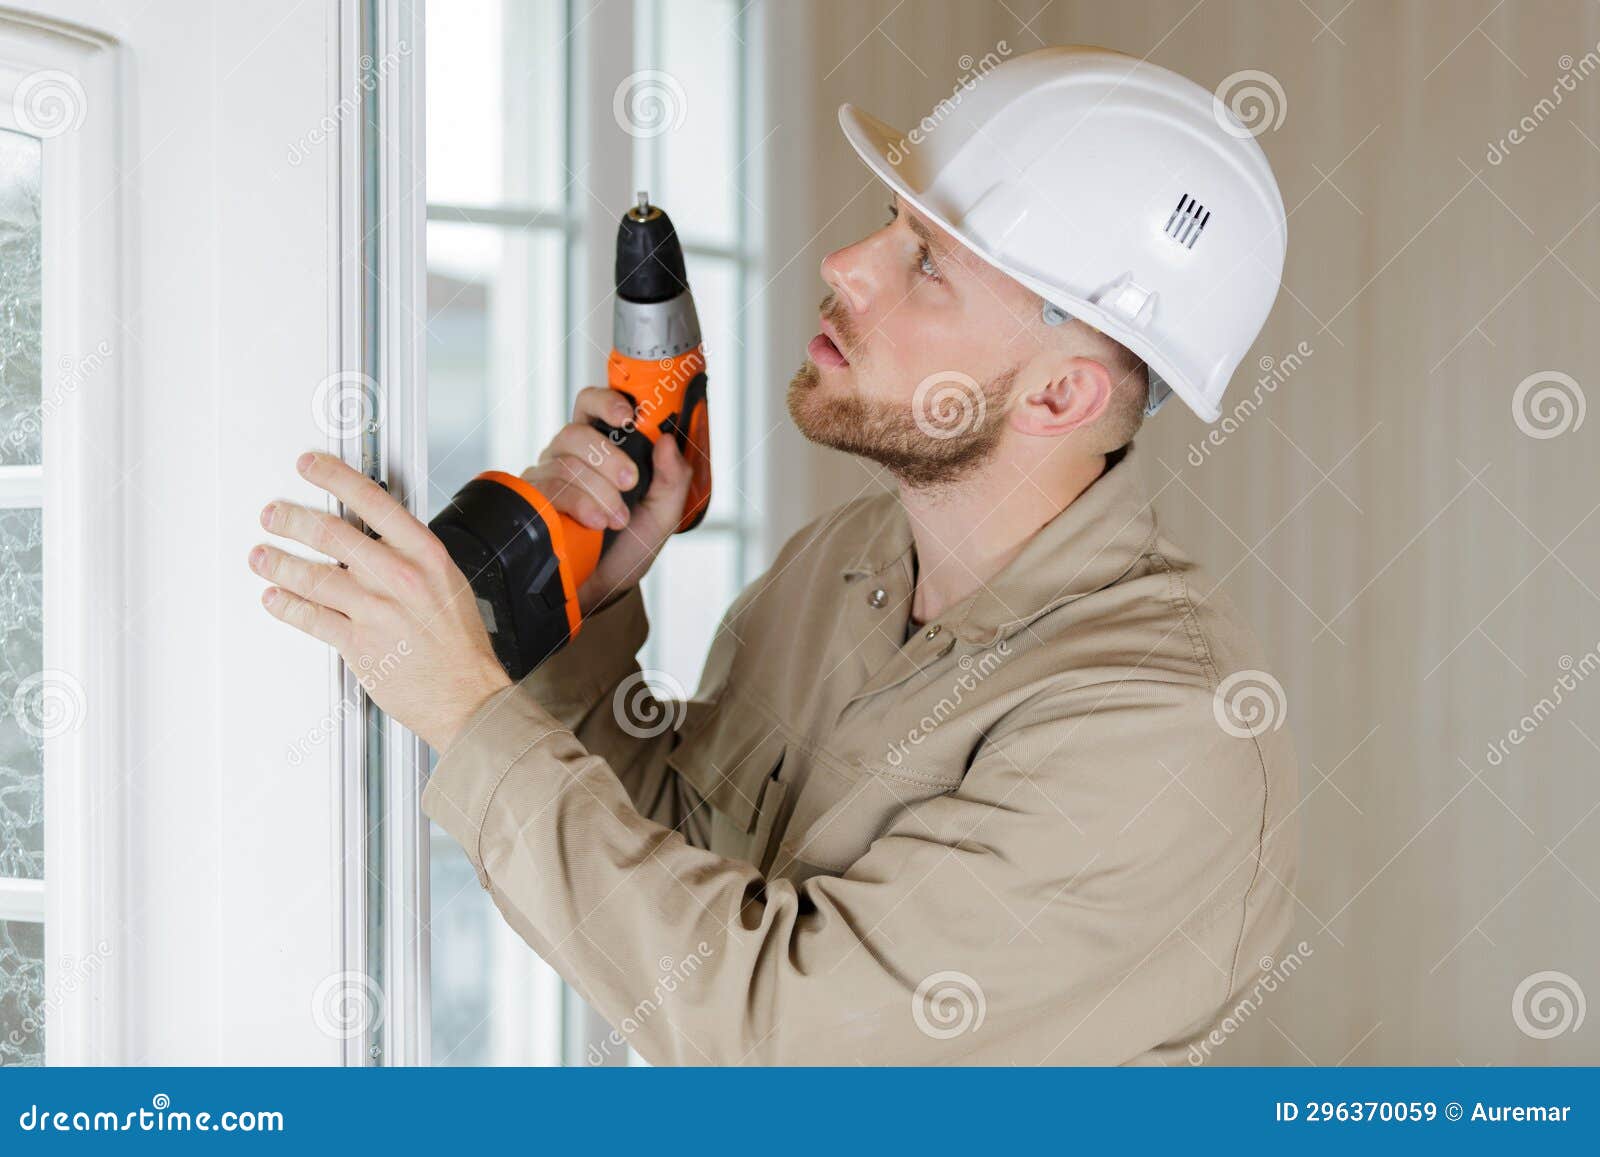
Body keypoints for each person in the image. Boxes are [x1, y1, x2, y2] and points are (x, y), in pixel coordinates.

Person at [250, 46, 1298, 1064]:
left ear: (1059, 395)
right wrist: (587, 617)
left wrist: (464, 711)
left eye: (926, 261)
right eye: (893, 222)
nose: (847, 264)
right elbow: (691, 873)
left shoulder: (1161, 728)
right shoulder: (842, 562)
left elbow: (774, 1040)